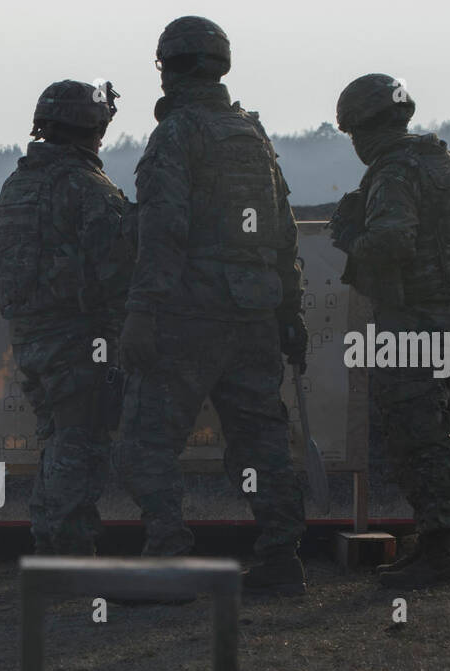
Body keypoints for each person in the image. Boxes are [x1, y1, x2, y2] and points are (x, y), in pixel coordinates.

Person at [116, 16, 309, 596]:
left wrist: (141, 311)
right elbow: (284, 231)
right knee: (262, 443)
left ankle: (168, 561)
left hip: (187, 314)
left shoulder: (177, 134)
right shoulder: (252, 133)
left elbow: (163, 232)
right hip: (255, 314)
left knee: (146, 442)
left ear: (167, 68)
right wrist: (290, 311)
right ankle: (281, 561)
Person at [330, 74, 450, 588]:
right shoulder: (444, 160)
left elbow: (391, 243)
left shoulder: (396, 170)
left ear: (360, 128)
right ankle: (434, 543)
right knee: (432, 425)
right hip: (449, 316)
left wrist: (350, 233)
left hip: (413, 319)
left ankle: (438, 552)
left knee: (417, 430)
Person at [0, 80, 136, 555]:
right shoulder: (86, 186)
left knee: (57, 442)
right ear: (91, 127)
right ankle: (68, 551)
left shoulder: (18, 183)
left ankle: (49, 543)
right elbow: (115, 270)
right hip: (78, 338)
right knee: (79, 447)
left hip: (31, 336)